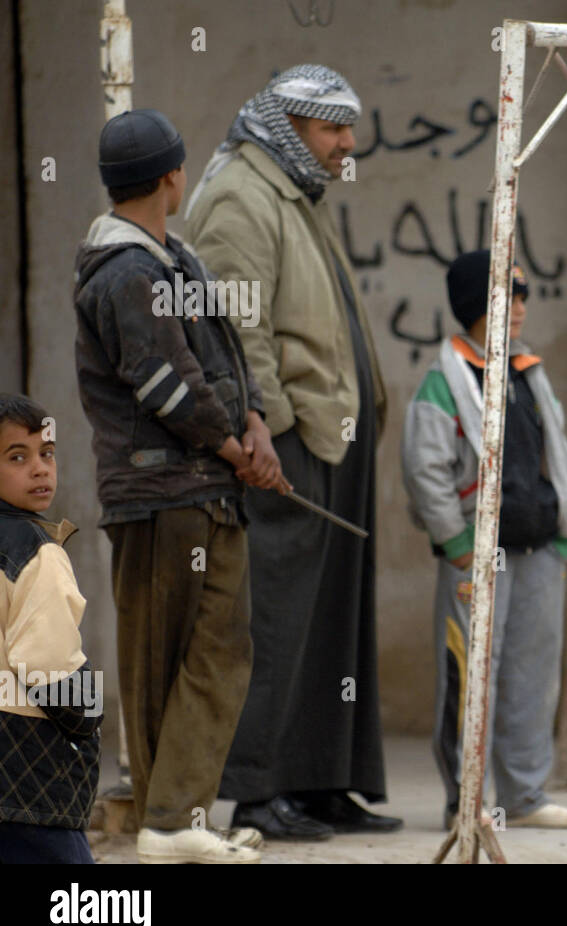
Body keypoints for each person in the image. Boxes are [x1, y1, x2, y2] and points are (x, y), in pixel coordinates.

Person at [186, 65, 397, 840]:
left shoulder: (294, 191)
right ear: (290, 126)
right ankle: (257, 790)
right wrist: (262, 427)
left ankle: (319, 779)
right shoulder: (243, 196)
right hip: (287, 442)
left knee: (331, 620)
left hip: (327, 435)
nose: (348, 143)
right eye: (331, 128)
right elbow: (238, 332)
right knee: (272, 618)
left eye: (346, 128)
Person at [73, 108, 278, 863]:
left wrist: (253, 422)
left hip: (203, 488)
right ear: (171, 176)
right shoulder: (127, 273)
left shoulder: (175, 258)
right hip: (163, 495)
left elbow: (225, 354)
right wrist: (234, 445)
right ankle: (171, 819)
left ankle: (172, 819)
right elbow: (166, 382)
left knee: (210, 648)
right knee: (180, 658)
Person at [402, 250, 567, 830]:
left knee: (532, 674)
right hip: (478, 557)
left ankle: (525, 797)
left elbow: (557, 452)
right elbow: (424, 469)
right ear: (479, 304)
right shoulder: (444, 379)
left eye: (526, 294)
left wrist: (564, 539)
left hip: (538, 551)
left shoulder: (528, 369)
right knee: (470, 672)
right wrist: (456, 544)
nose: (524, 306)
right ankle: (466, 802)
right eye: (513, 294)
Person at [0, 395, 102, 864]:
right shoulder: (39, 555)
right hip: (29, 775)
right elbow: (49, 663)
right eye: (17, 457)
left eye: (47, 453)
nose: (40, 469)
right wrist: (90, 714)